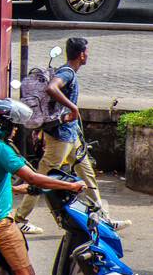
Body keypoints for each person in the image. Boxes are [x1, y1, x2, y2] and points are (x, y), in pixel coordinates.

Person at [0, 99, 84, 275]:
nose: (16, 130)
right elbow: (34, 178)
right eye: (13, 126)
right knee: (26, 274)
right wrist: (71, 186)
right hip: (0, 222)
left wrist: (19, 190)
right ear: (4, 126)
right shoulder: (2, 150)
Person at [13, 36, 126, 232]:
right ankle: (20, 218)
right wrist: (73, 108)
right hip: (61, 137)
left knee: (87, 174)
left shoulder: (66, 71)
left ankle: (103, 218)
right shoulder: (67, 73)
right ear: (82, 55)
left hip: (71, 136)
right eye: (87, 52)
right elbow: (51, 88)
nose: (88, 55)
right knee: (42, 176)